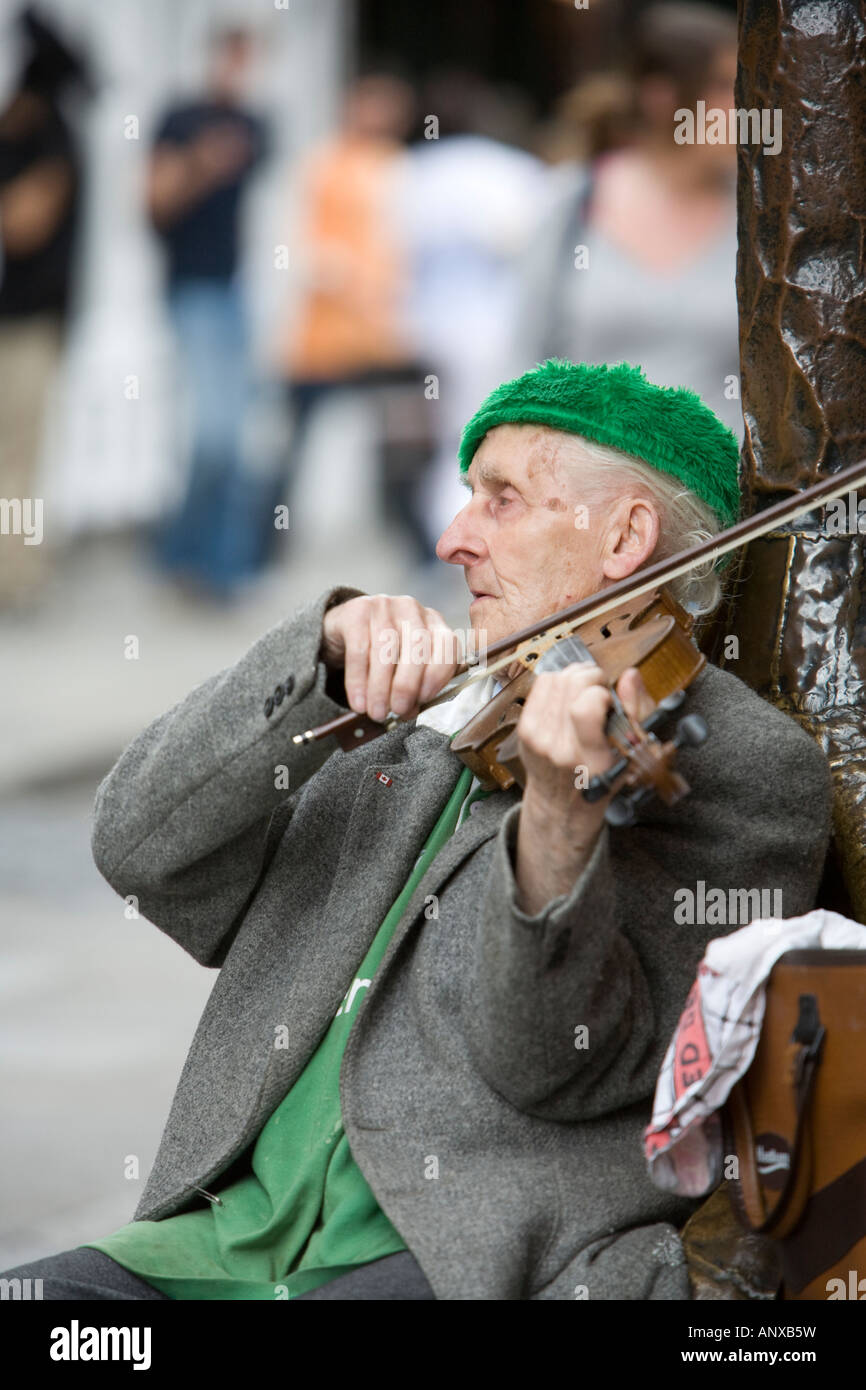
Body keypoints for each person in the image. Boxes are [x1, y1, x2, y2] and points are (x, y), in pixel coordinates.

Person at [1, 359, 832, 1300]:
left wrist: (560, 824)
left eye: (501, 501)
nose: (449, 540)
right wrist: (311, 661)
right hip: (220, 1241)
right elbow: (140, 852)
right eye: (463, 498)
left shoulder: (742, 767)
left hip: (453, 1260)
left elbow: (549, 1065)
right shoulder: (434, 698)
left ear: (626, 536)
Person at [147, 27, 269, 599]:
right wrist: (201, 163)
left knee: (240, 435)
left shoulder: (259, 124)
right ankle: (181, 554)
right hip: (190, 289)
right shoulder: (180, 119)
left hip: (235, 291)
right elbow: (152, 206)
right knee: (213, 434)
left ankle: (221, 568)